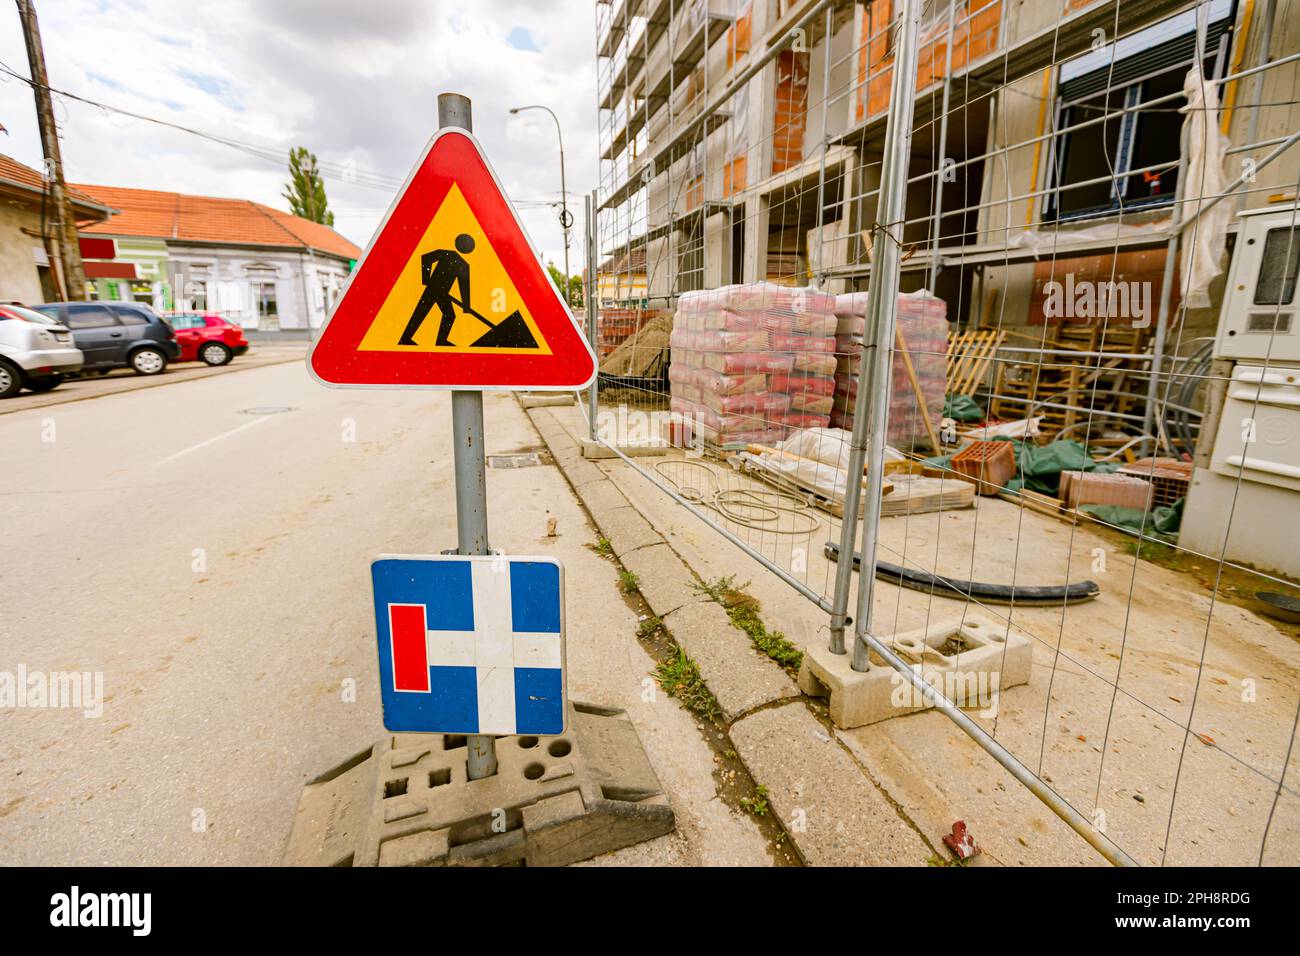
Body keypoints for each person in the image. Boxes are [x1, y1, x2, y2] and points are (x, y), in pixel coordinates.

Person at [399, 233, 474, 346]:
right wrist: (466, 306)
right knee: (423, 312)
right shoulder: (461, 263)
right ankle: (408, 339)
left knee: (433, 313)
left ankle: (438, 341)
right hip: (434, 289)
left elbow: (464, 286)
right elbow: (463, 286)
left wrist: (466, 306)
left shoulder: (452, 257)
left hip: (440, 291)